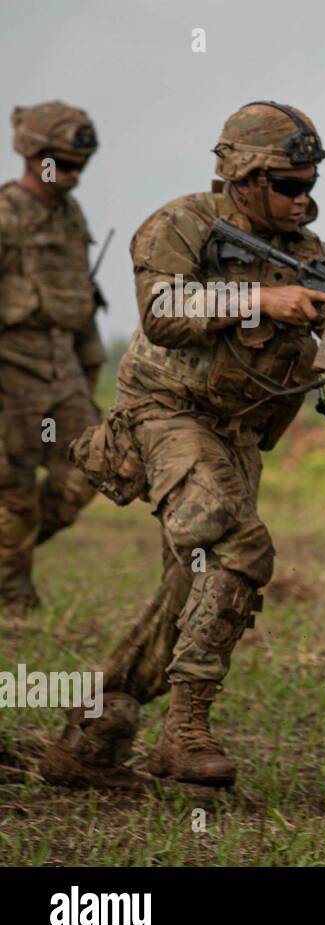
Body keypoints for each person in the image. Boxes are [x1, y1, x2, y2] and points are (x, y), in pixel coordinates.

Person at [39, 102, 325, 789]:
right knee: (238, 548)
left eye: (310, 185)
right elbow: (162, 312)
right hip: (166, 413)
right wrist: (261, 301)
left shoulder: (311, 254)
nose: (303, 200)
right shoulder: (182, 224)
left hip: (239, 434)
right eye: (288, 185)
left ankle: (92, 733)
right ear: (244, 176)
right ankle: (184, 734)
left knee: (193, 586)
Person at [0, 101, 106, 612]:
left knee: (91, 468)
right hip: (11, 372)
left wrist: (90, 369)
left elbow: (83, 300)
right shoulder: (5, 216)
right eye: (61, 164)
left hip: (63, 372)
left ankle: (7, 553)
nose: (72, 176)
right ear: (31, 155)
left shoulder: (70, 216)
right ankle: (13, 598)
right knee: (13, 488)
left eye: (79, 166)